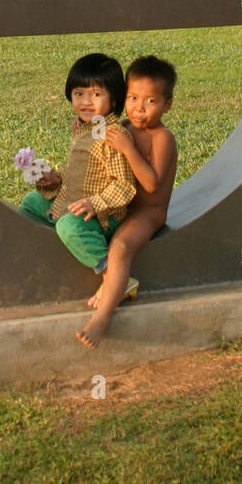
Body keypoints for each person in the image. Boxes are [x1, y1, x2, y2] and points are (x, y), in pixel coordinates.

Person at [76, 56, 177, 349]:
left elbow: (151, 184)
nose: (139, 108)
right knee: (83, 221)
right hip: (123, 203)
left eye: (150, 101)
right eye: (132, 98)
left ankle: (104, 316)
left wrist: (128, 149)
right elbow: (95, 147)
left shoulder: (162, 138)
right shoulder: (123, 127)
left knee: (119, 247)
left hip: (147, 212)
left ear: (166, 105)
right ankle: (111, 281)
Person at [18, 53, 136, 277]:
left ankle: (112, 274)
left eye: (96, 94)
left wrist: (95, 203)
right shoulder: (84, 128)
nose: (85, 101)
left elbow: (124, 186)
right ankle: (60, 244)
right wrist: (55, 179)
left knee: (68, 226)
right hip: (74, 203)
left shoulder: (112, 136)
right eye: (79, 93)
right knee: (31, 202)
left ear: (113, 100)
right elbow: (81, 174)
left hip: (102, 216)